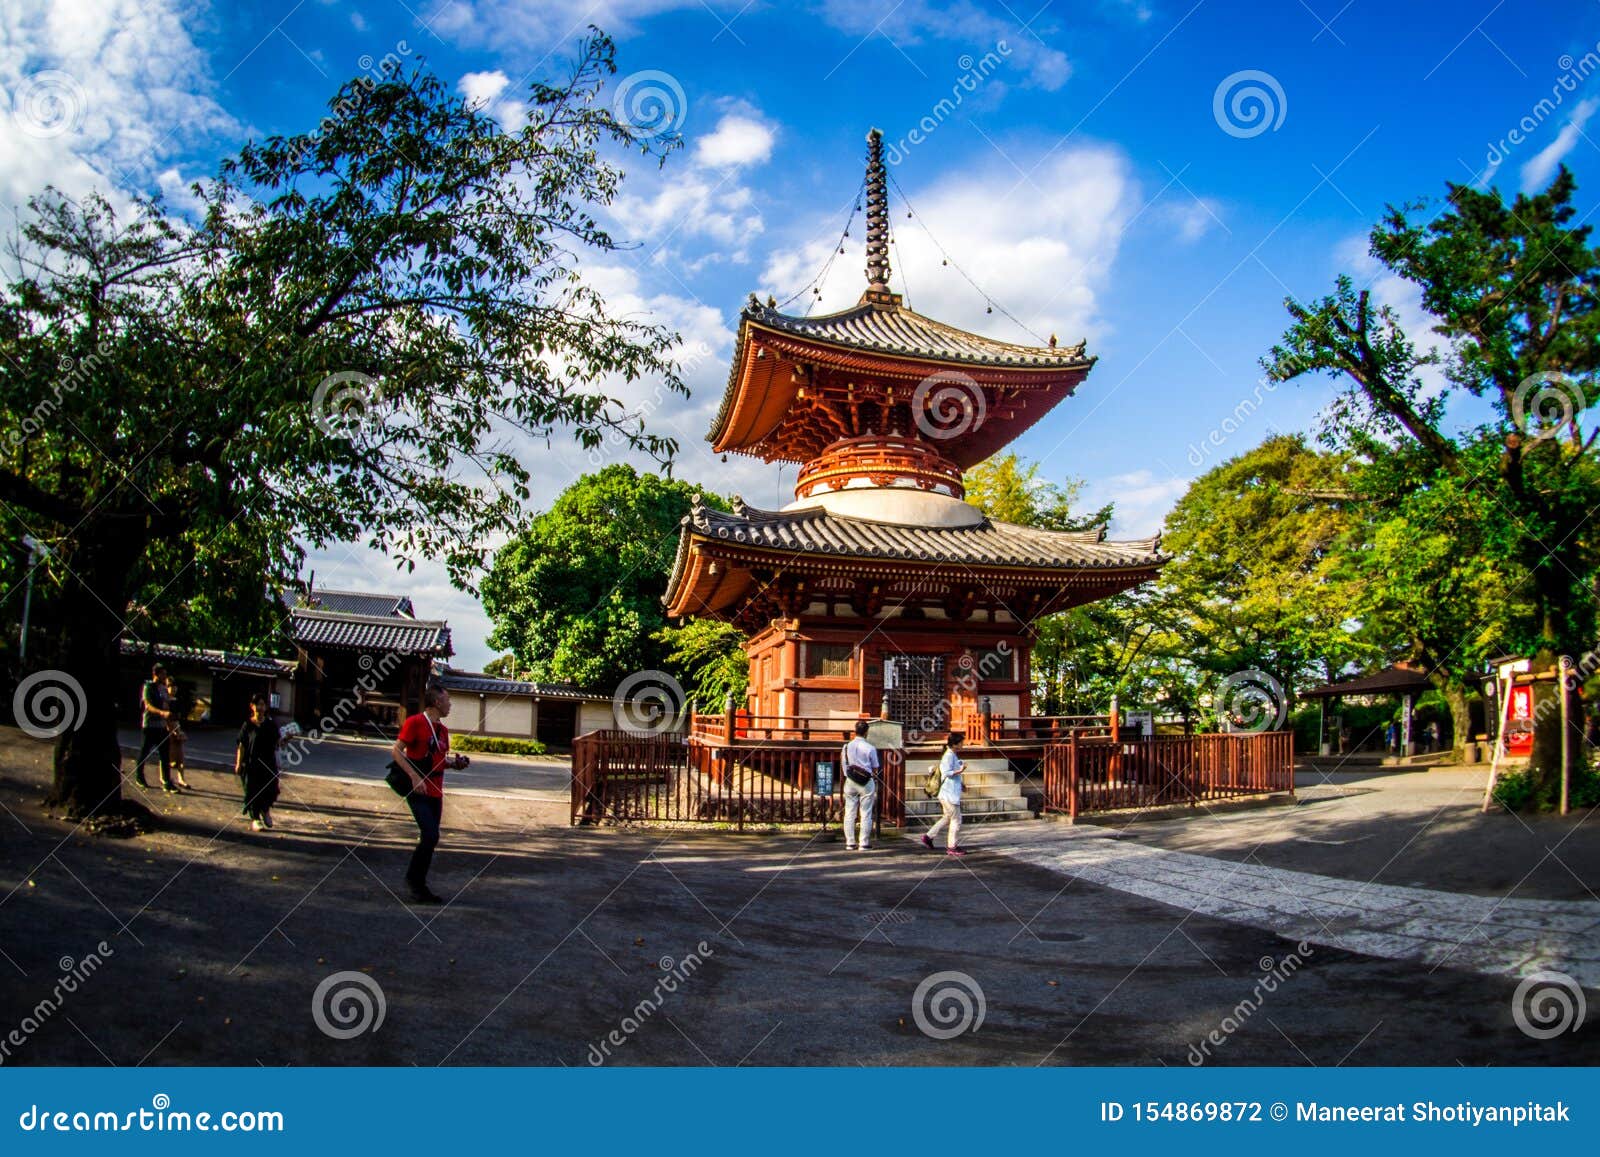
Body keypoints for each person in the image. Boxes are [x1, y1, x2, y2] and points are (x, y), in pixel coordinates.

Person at [393, 685, 469, 904]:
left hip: (436, 791)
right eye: (448, 701)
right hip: (418, 789)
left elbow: (439, 760)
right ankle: (415, 882)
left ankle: (418, 882)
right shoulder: (415, 723)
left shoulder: (443, 731)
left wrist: (455, 764)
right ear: (437, 702)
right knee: (430, 835)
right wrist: (414, 777)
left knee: (431, 838)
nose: (450, 705)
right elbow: (396, 751)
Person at [235, 695, 281, 831]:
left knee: (270, 789)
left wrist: (286, 739)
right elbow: (241, 745)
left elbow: (278, 743)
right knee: (252, 790)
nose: (260, 708)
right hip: (251, 764)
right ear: (252, 706)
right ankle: (255, 818)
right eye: (258, 705)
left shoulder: (271, 725)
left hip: (268, 763)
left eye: (263, 705)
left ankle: (265, 811)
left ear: (266, 707)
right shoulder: (247, 725)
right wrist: (238, 763)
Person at [921, 731, 967, 856]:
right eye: (961, 742)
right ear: (955, 744)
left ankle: (929, 836)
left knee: (947, 817)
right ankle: (952, 846)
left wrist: (961, 783)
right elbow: (947, 772)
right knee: (956, 819)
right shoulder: (949, 755)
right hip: (949, 794)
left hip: (949, 792)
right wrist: (960, 770)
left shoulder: (952, 755)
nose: (963, 744)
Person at [134, 663, 176, 792]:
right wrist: (161, 712)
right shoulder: (148, 687)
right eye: (162, 674)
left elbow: (166, 705)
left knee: (165, 754)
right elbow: (148, 705)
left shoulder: (163, 689)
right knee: (144, 751)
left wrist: (170, 725)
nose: (165, 676)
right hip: (150, 725)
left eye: (165, 674)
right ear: (156, 674)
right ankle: (139, 776)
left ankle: (166, 781)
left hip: (162, 726)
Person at [839, 719, 881, 851]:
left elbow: (844, 764)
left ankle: (850, 842)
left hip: (851, 780)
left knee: (849, 812)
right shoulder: (870, 748)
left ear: (855, 731)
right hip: (866, 781)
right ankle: (864, 842)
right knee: (866, 812)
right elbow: (875, 767)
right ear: (866, 732)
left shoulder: (846, 747)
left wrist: (848, 775)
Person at [163, 675, 191, 790]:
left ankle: (181, 779)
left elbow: (177, 718)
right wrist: (173, 731)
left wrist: (179, 731)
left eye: (174, 686)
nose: (173, 689)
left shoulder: (176, 701)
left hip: (177, 728)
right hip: (168, 729)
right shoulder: (165, 701)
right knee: (169, 757)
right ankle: (166, 778)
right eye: (170, 686)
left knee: (180, 757)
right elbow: (167, 718)